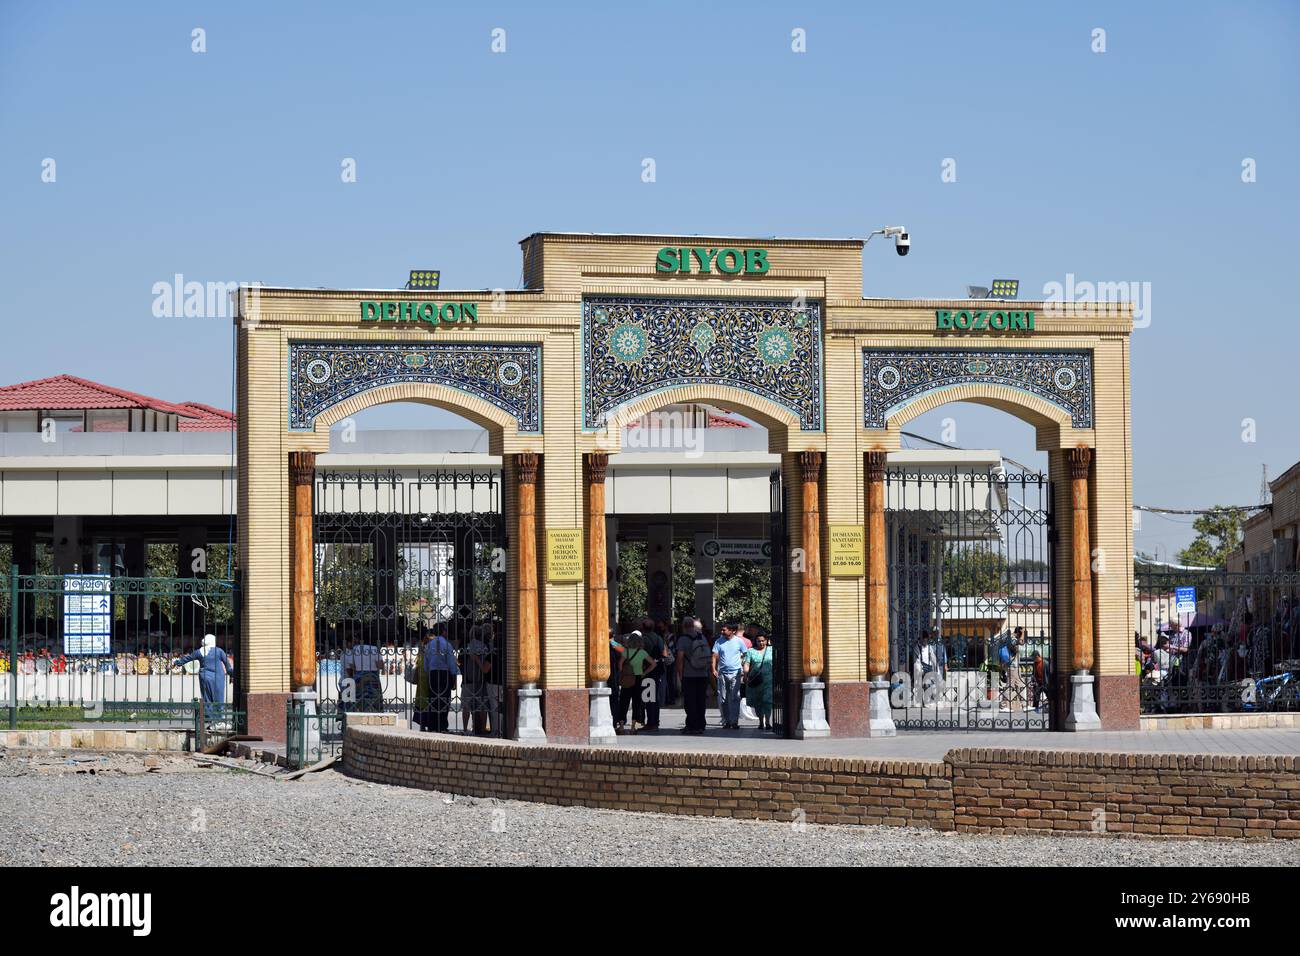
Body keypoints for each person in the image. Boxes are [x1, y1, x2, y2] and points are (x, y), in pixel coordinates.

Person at [170, 634, 234, 706]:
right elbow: (228, 666)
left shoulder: (200, 651)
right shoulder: (219, 651)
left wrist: (176, 662)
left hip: (205, 677)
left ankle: (207, 715)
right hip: (218, 678)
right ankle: (218, 715)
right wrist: (232, 674)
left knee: (207, 700)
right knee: (219, 699)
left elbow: (187, 658)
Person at [676, 617, 711, 734]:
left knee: (690, 701)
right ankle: (701, 724)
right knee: (701, 700)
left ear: (683, 626)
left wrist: (680, 674)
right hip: (703, 674)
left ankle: (692, 725)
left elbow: (680, 658)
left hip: (689, 674)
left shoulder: (683, 639)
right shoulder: (702, 637)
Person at [615, 630, 654, 733]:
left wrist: (623, 672)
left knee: (624, 702)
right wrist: (644, 673)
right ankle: (633, 727)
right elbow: (653, 664)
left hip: (627, 678)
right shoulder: (642, 652)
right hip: (638, 679)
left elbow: (620, 664)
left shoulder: (625, 652)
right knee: (636, 703)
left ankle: (622, 727)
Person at [422, 625, 459, 732]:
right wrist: (454, 678)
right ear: (444, 631)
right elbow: (452, 664)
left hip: (433, 674)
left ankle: (432, 725)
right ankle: (442, 725)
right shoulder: (447, 645)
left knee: (433, 699)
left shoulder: (429, 645)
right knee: (444, 700)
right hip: (444, 674)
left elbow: (425, 665)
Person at [711, 622, 747, 729]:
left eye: (724, 630)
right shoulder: (718, 641)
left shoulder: (739, 641)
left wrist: (742, 665)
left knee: (735, 697)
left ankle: (734, 721)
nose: (722, 632)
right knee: (723, 698)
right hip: (722, 673)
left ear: (732, 631)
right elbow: (714, 655)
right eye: (722, 630)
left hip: (735, 673)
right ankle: (727, 720)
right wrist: (713, 669)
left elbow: (745, 654)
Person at [462, 624, 494, 735]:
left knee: (466, 705)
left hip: (468, 679)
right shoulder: (485, 646)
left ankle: (465, 729)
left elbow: (460, 661)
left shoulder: (467, 646)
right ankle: (482, 728)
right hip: (481, 679)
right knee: (482, 704)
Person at [341, 633, 384, 714]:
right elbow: (380, 665)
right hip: (373, 677)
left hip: (359, 677)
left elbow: (350, 666)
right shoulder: (374, 649)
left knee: (359, 701)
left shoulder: (354, 650)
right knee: (374, 700)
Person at [639, 616, 667, 730]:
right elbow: (664, 653)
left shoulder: (642, 639)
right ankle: (655, 720)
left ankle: (651, 722)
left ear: (642, 627)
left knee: (647, 698)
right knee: (654, 698)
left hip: (645, 670)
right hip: (657, 671)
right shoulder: (658, 638)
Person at [741, 631, 774, 730]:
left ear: (766, 641)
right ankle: (760, 721)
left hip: (768, 680)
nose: (761, 643)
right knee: (758, 702)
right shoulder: (751, 651)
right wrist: (745, 675)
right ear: (755, 641)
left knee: (767, 701)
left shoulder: (771, 650)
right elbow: (746, 663)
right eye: (759, 641)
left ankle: (768, 722)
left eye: (763, 641)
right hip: (755, 680)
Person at [911, 629, 945, 707]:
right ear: (921, 639)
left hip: (929, 667)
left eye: (926, 640)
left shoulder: (929, 647)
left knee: (928, 685)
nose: (925, 642)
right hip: (921, 668)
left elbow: (933, 658)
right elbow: (916, 660)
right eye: (924, 640)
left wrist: (936, 669)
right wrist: (920, 669)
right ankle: (921, 701)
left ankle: (927, 701)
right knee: (920, 685)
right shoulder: (917, 648)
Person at [999, 628, 1024, 712]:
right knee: (1010, 685)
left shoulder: (1010, 638)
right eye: (1021, 633)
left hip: (1014, 666)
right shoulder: (1012, 638)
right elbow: (1021, 642)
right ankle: (1004, 706)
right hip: (1012, 666)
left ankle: (1024, 704)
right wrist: (1023, 633)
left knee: (1019, 684)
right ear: (1019, 633)